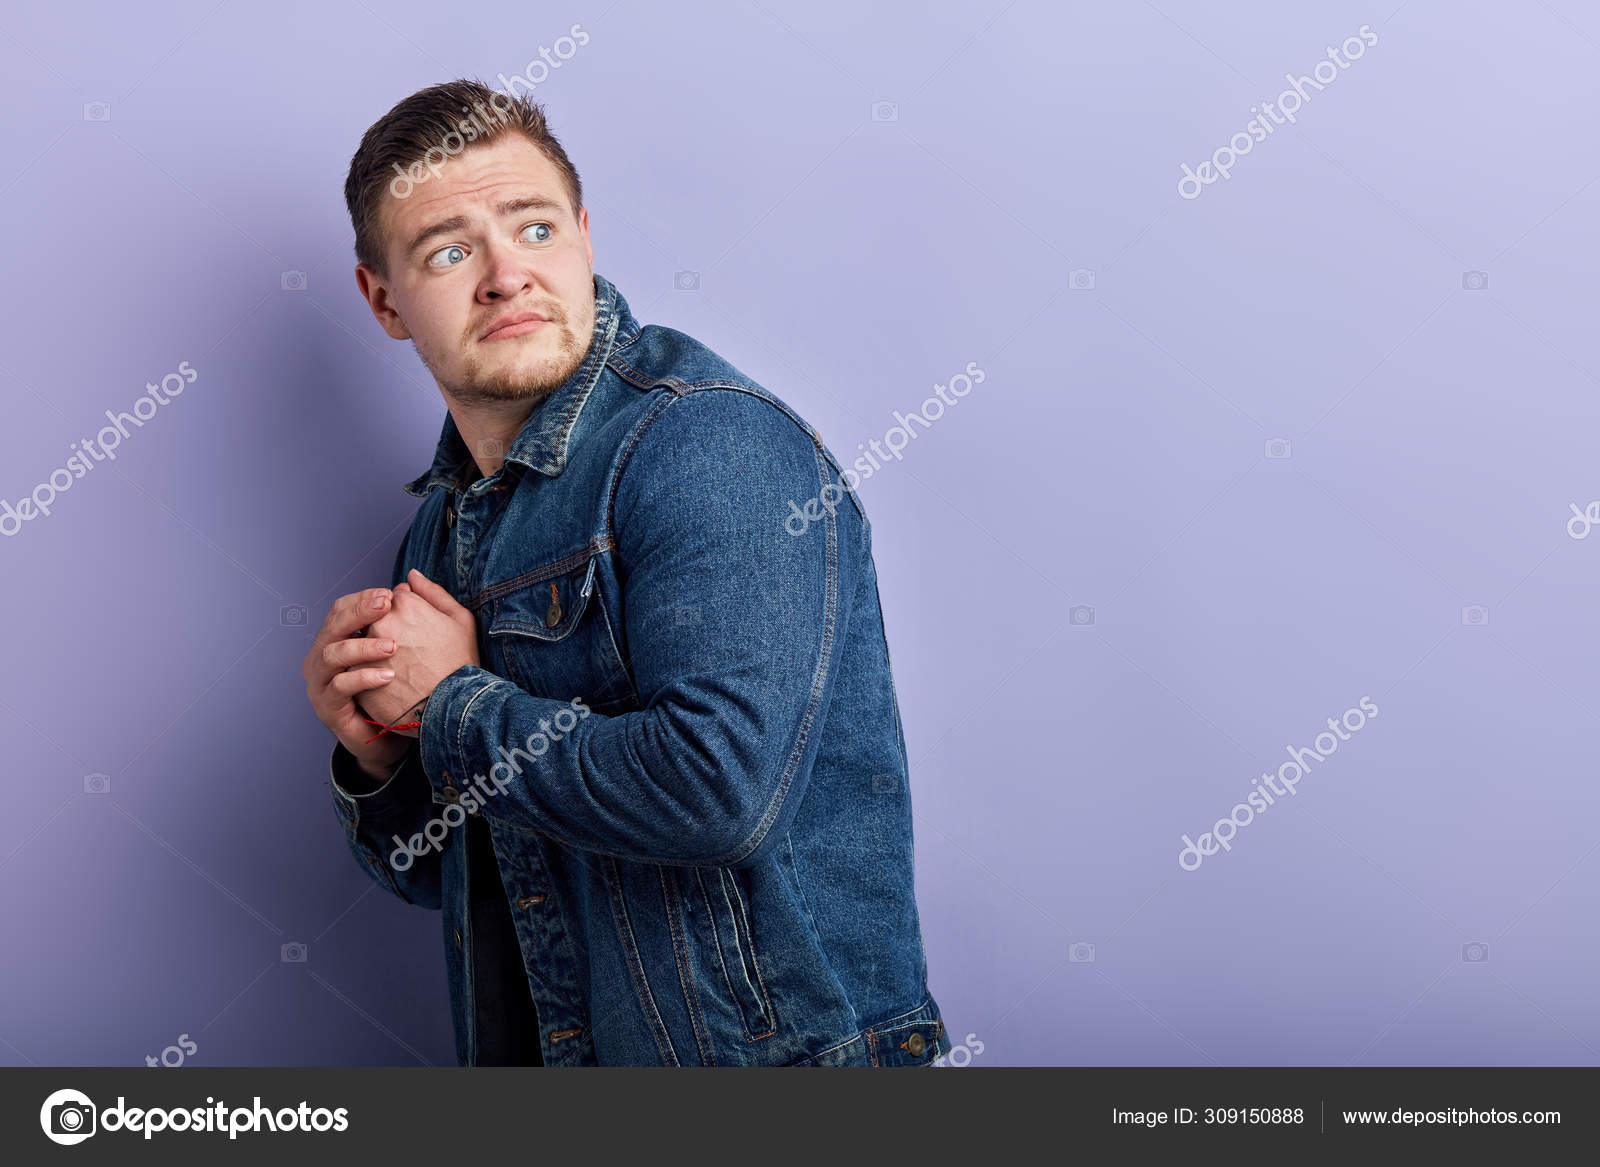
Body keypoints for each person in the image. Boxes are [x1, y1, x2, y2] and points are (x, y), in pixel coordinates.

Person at [302, 78, 949, 1067]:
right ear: (385, 300)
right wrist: (380, 757)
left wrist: (450, 703)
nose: (506, 276)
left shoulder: (706, 442)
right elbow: (454, 876)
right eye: (448, 251)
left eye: (534, 229)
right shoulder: (439, 528)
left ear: (584, 236)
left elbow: (716, 793)